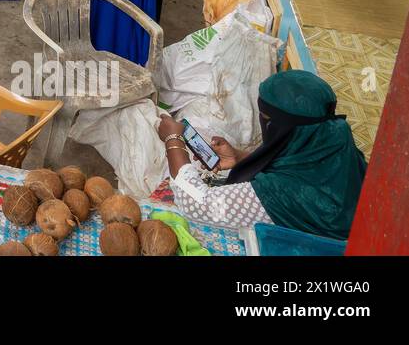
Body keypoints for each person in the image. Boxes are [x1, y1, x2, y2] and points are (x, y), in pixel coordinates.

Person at [156, 71, 366, 241]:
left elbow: (197, 204)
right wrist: (242, 158)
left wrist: (173, 139)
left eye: (265, 118)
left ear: (281, 127)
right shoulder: (334, 136)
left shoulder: (280, 192)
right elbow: (295, 165)